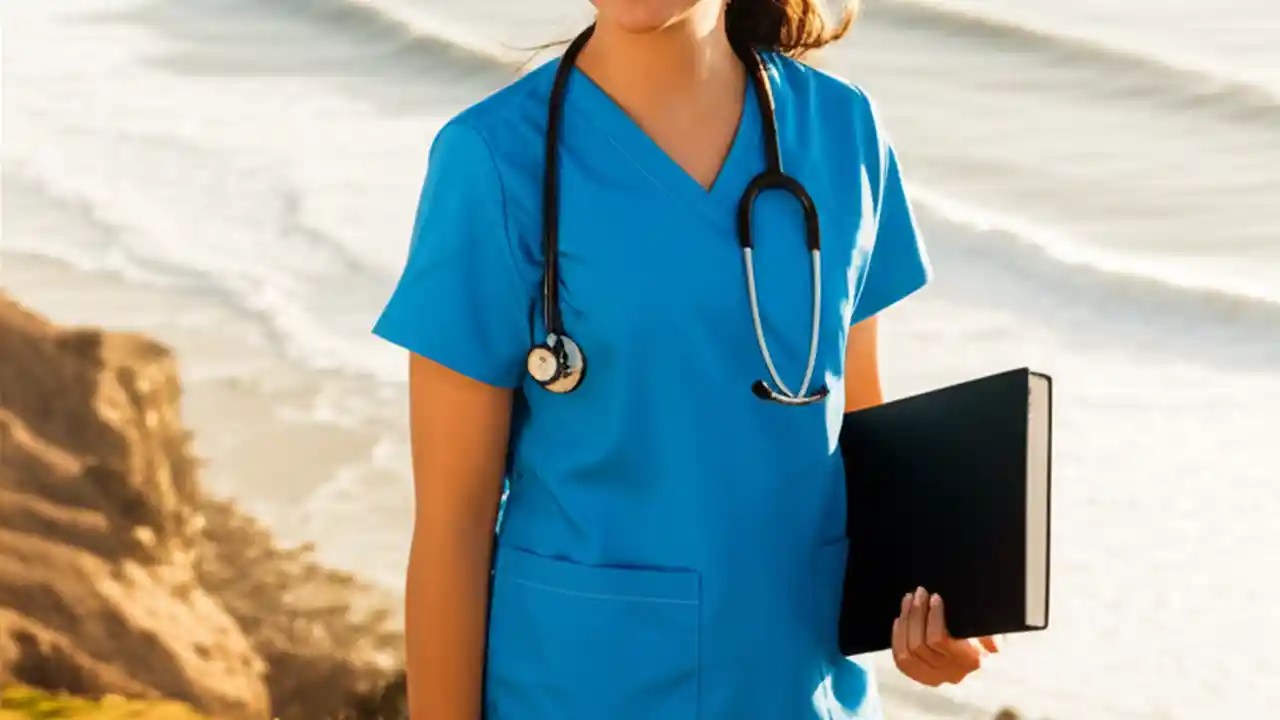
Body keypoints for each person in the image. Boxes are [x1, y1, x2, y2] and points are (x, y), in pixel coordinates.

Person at [373, 1, 1001, 717]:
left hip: (800, 689)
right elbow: (453, 524)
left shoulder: (842, 129)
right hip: (577, 688)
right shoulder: (493, 158)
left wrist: (931, 613)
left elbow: (858, 424)